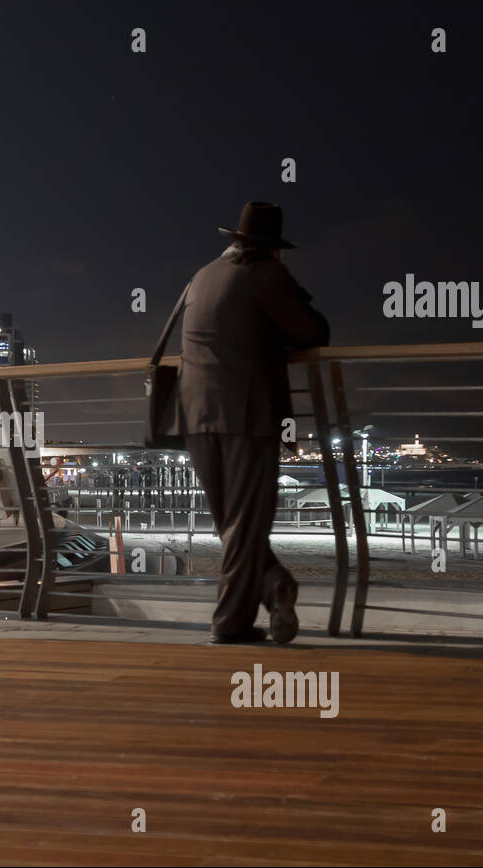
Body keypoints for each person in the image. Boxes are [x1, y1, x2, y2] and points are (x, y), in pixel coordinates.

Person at [178, 201, 330, 644]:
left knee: (231, 522)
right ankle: (229, 625)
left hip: (194, 413)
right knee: (245, 523)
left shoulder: (203, 275)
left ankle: (274, 586)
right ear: (272, 248)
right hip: (248, 415)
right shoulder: (264, 272)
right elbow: (312, 332)